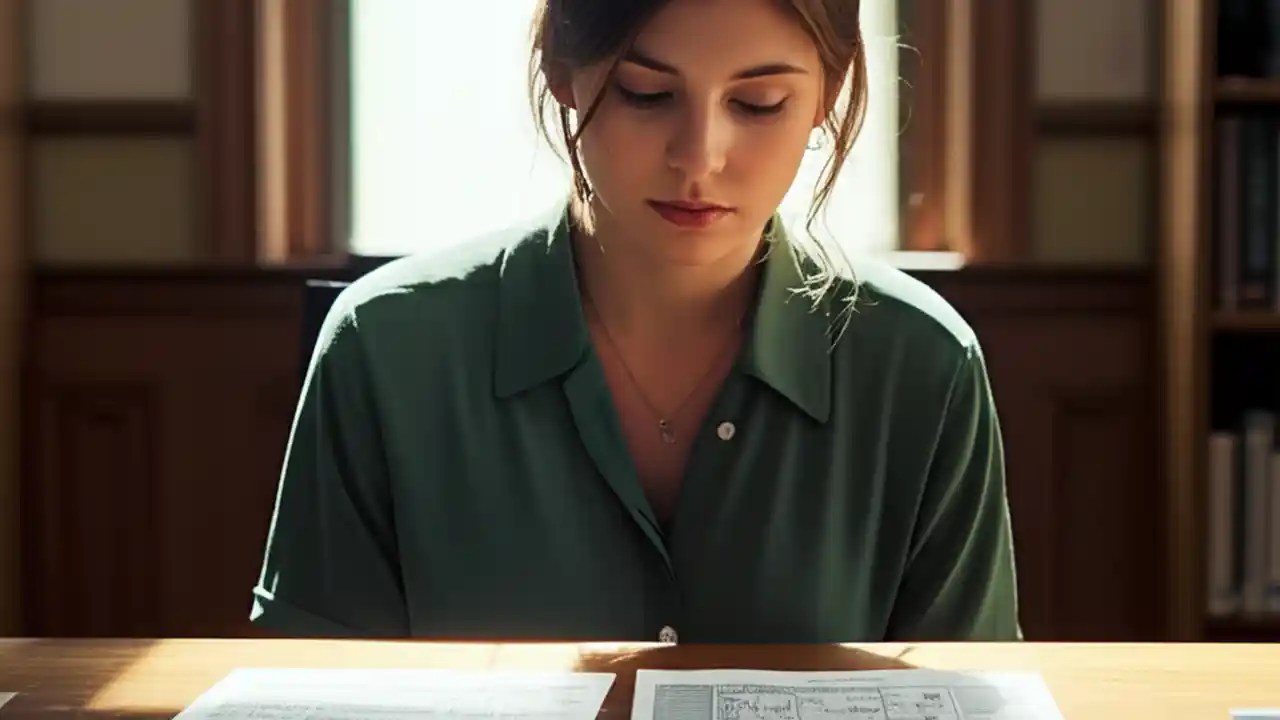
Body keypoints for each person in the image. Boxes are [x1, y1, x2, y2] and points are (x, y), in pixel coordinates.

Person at [250, 0, 1020, 642]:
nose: (699, 156)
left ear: (830, 92)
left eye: (758, 104)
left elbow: (969, 696)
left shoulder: (926, 367)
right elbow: (314, 689)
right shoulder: (385, 351)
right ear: (560, 69)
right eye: (646, 93)